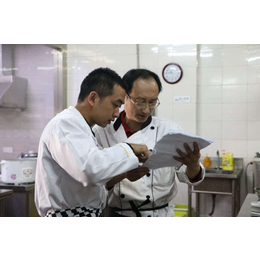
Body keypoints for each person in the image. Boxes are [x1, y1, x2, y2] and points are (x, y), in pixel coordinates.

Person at [34, 68, 150, 217]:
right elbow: (89, 170)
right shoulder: (65, 124)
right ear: (93, 98)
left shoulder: (83, 128)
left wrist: (125, 173)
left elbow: (89, 184)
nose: (116, 113)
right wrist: (129, 148)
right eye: (115, 105)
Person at [93, 68, 205, 217]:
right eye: (140, 102)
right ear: (124, 96)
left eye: (152, 102)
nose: (146, 110)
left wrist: (194, 165)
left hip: (161, 214)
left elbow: (187, 175)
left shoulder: (169, 129)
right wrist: (123, 174)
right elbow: (95, 181)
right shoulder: (102, 131)